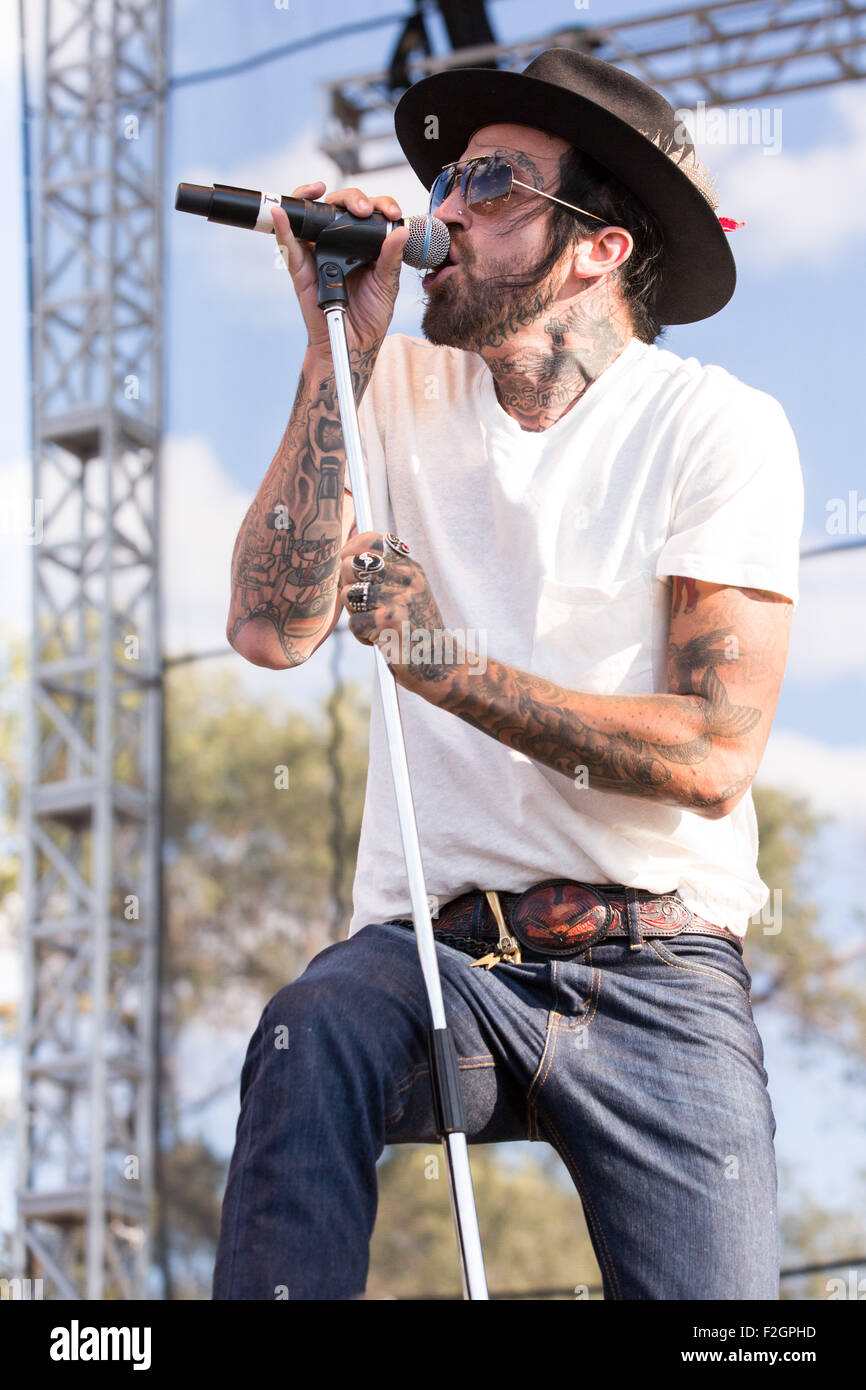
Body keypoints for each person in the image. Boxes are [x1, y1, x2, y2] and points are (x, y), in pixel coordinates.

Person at [213, 48, 803, 1301]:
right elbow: (270, 628)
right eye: (445, 181)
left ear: (595, 246)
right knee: (306, 1027)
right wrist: (340, 345)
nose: (441, 212)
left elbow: (710, 753)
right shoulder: (397, 378)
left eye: (490, 184)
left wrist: (450, 671)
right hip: (440, 960)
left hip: (656, 969)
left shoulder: (713, 427)